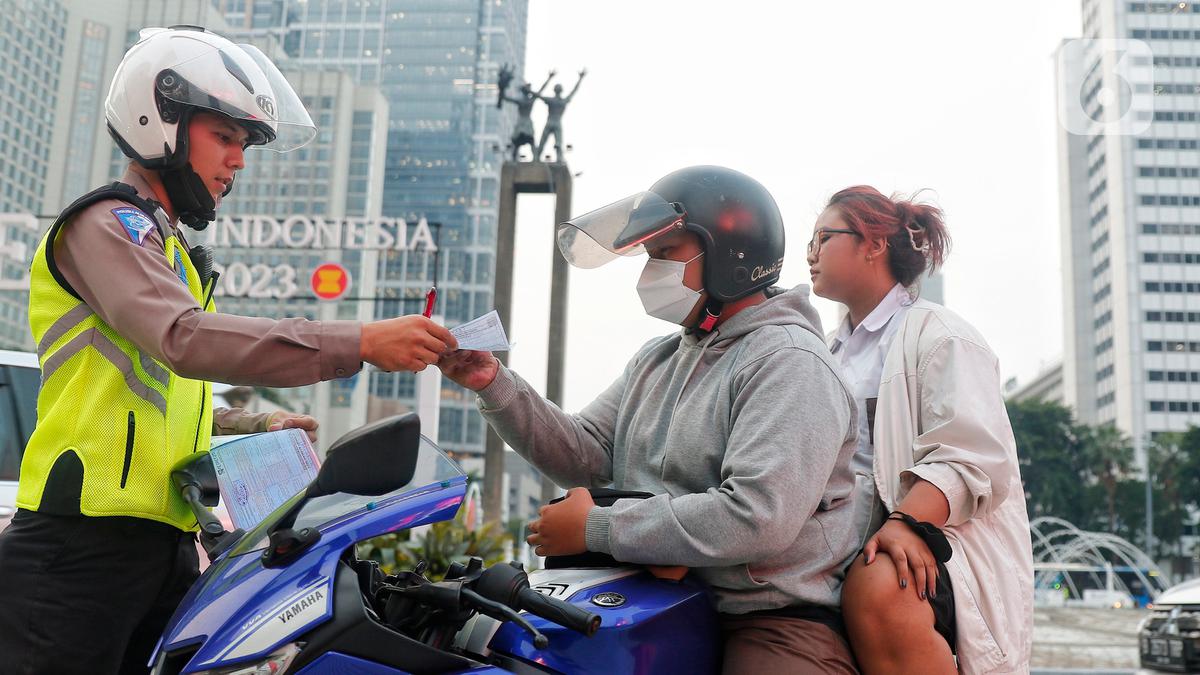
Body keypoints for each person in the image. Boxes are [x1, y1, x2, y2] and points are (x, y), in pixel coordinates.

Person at [0, 26, 455, 675]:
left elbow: (158, 398)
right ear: (160, 119)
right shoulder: (105, 226)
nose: (238, 161)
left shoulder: (170, 254)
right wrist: (359, 341)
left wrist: (257, 424)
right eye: (225, 137)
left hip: (163, 546)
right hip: (78, 549)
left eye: (244, 145)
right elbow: (183, 340)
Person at [439, 166, 863, 673]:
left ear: (731, 255)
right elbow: (587, 454)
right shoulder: (659, 358)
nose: (649, 274)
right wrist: (495, 383)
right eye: (648, 258)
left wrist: (597, 527)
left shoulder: (789, 361)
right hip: (648, 598)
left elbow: (757, 515)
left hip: (763, 617)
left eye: (665, 254)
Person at [806, 186, 1033, 674]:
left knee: (883, 582)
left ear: (873, 244)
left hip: (937, 538)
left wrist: (905, 522)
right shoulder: (823, 352)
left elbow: (973, 460)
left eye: (824, 237)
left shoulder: (942, 336)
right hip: (837, 537)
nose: (811, 253)